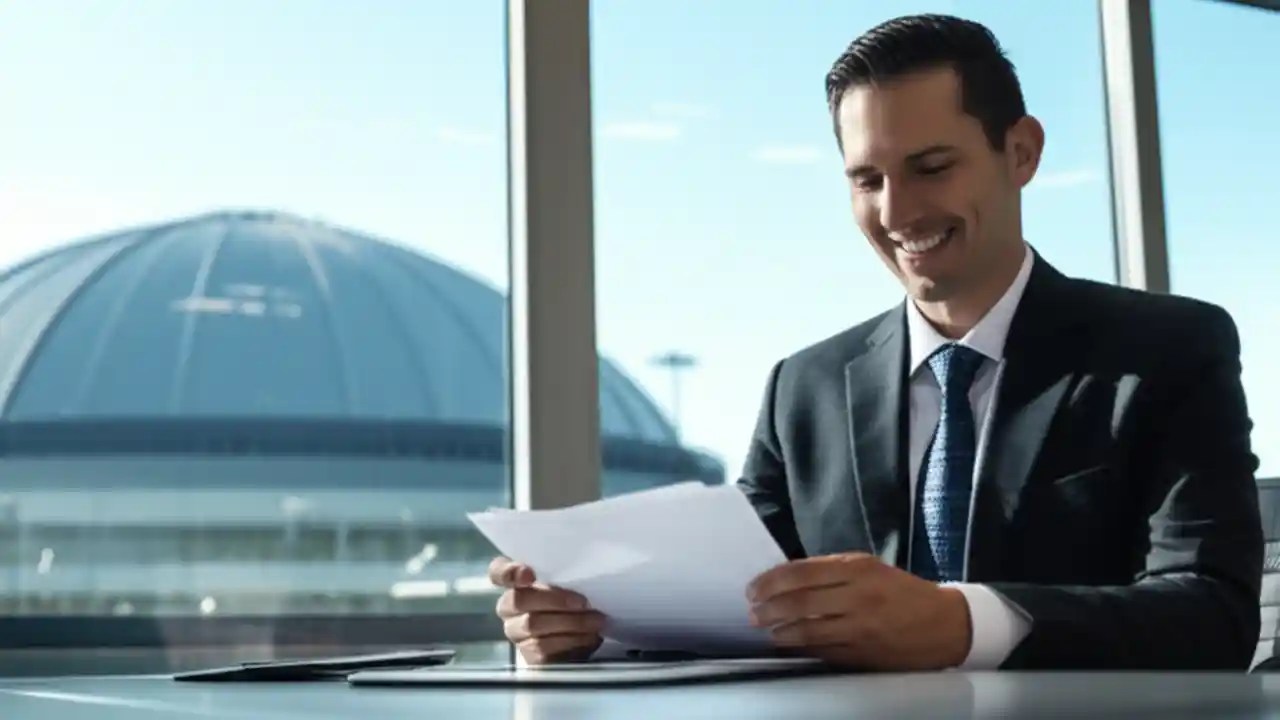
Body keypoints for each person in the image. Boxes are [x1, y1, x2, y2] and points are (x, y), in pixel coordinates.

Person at [489, 13, 1263, 670]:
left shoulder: (1165, 352)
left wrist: (957, 622)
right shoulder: (807, 387)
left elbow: (1212, 613)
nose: (898, 212)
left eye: (931, 167)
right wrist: (592, 626)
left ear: (1021, 153)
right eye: (867, 180)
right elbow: (732, 604)